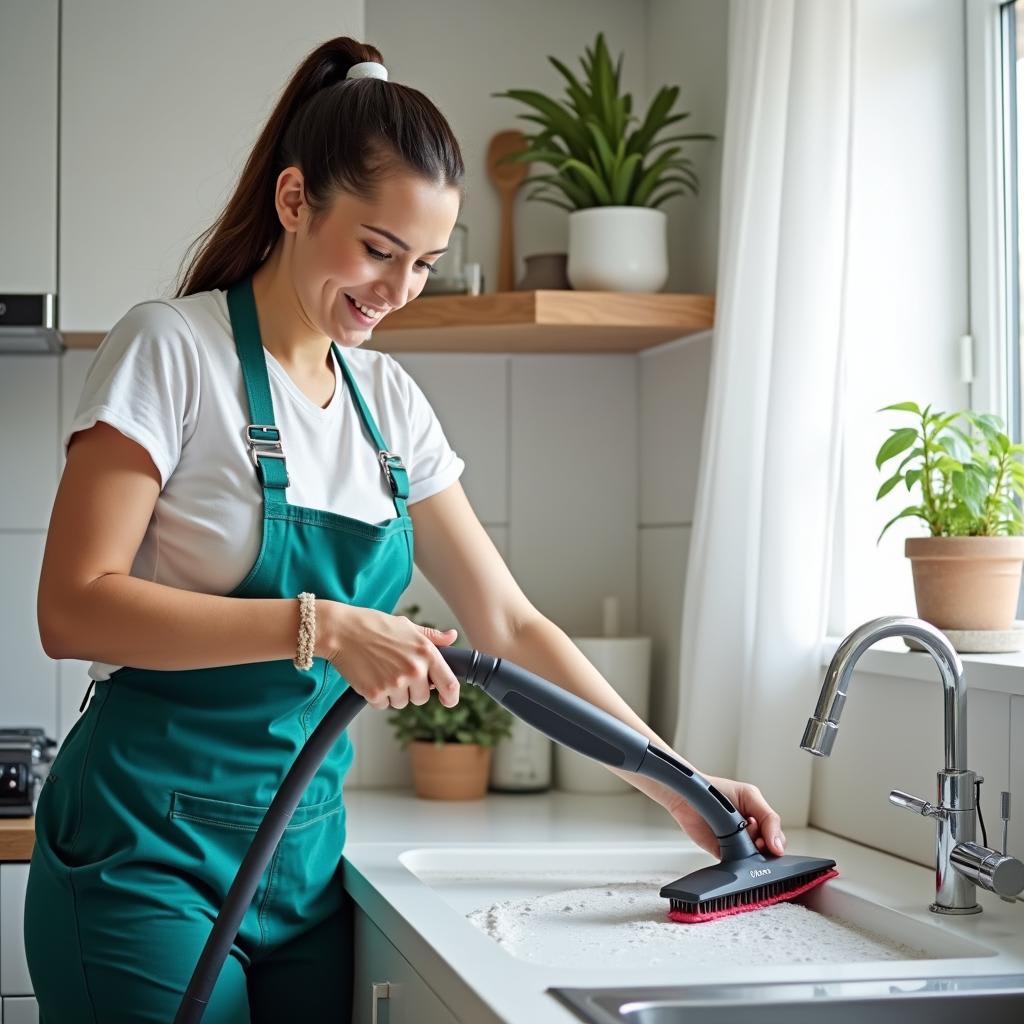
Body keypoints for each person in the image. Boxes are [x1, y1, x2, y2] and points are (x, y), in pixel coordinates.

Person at [24, 36, 786, 1024]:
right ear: (294, 201)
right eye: (379, 250)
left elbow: (510, 625)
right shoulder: (172, 349)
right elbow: (73, 607)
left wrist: (678, 783)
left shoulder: (388, 403)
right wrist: (321, 625)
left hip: (302, 865)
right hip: (142, 852)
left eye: (423, 263)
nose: (398, 290)